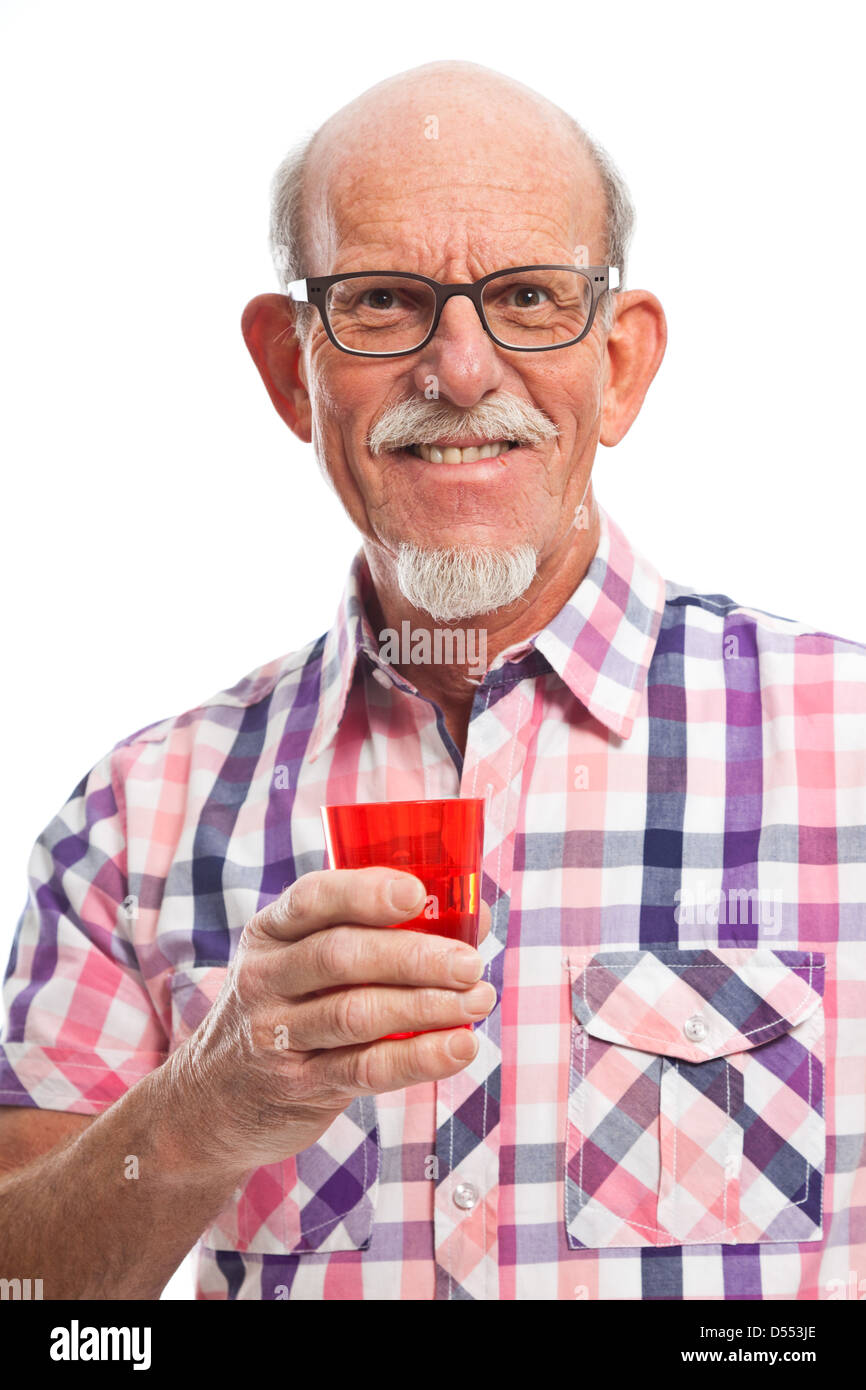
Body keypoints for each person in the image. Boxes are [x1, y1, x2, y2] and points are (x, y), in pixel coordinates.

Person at [1, 61, 862, 1302]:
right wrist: (206, 1105)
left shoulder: (850, 749)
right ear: (289, 366)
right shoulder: (135, 820)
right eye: (386, 302)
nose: (460, 372)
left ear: (618, 366)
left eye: (524, 297)